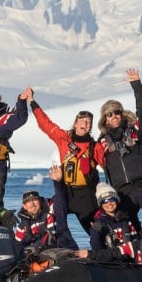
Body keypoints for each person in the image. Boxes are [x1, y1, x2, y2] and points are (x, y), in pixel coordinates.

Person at [30, 92, 102, 232]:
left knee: (95, 231)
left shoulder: (95, 147)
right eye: (82, 121)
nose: (85, 124)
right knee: (48, 216)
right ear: (75, 124)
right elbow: (45, 124)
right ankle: (43, 242)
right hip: (66, 192)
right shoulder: (64, 138)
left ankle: (106, 245)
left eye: (88, 122)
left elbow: (109, 164)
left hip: (86, 195)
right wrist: (32, 102)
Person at [95, 68, 142, 223]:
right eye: (109, 114)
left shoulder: (134, 132)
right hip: (120, 189)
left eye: (117, 112)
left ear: (122, 114)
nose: (114, 116)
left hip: (139, 183)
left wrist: (136, 85)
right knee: (126, 220)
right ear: (105, 119)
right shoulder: (102, 142)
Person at [14, 181, 79, 257]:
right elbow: (17, 246)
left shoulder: (53, 209)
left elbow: (61, 196)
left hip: (64, 249)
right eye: (28, 201)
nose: (32, 204)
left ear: (40, 201)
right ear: (24, 206)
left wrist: (58, 181)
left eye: (35, 200)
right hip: (41, 256)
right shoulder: (22, 226)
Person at [87, 182, 138, 252]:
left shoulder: (126, 220)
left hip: (128, 256)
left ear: (117, 201)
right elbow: (96, 249)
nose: (109, 203)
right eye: (104, 201)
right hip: (108, 257)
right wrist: (95, 231)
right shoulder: (98, 224)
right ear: (101, 205)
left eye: (112, 200)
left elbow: (135, 241)